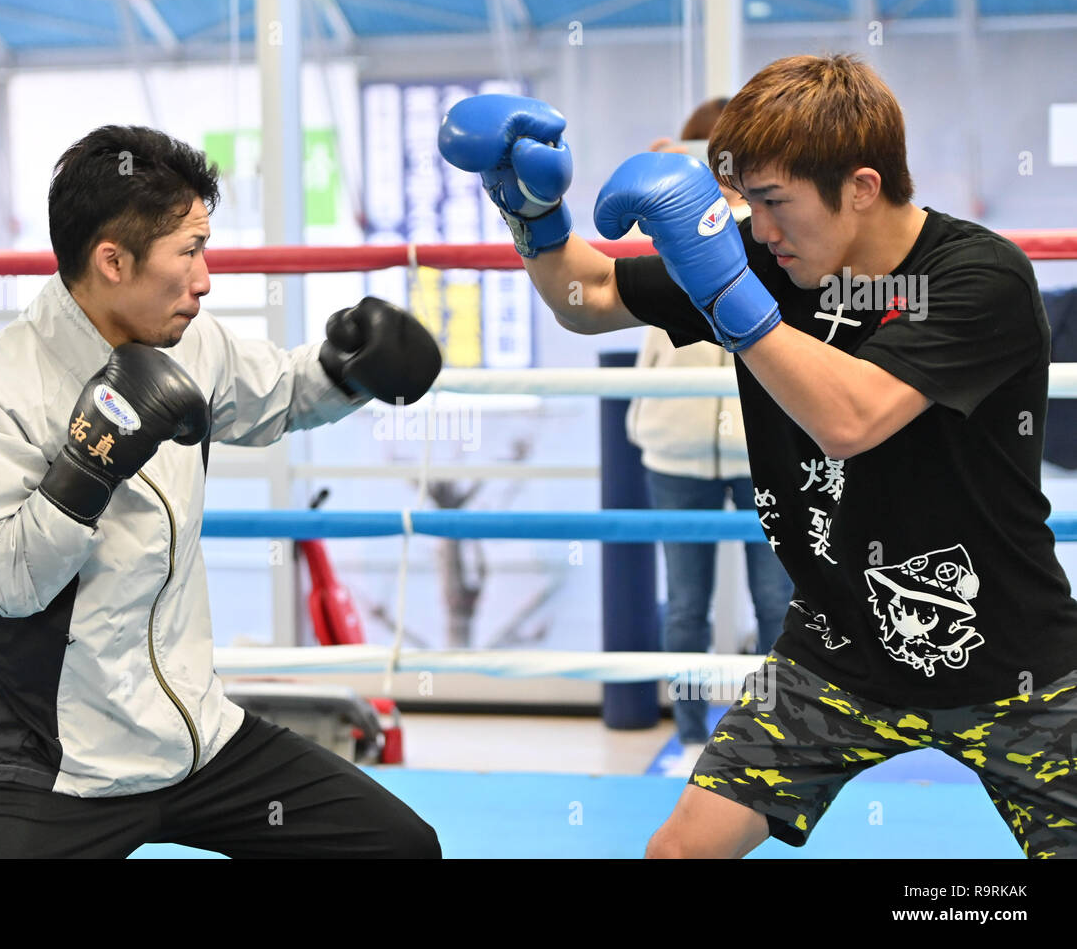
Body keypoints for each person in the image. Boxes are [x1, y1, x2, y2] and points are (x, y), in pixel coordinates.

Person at [439, 54, 1077, 858]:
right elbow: (589, 298)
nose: (762, 229)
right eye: (750, 203)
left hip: (1013, 663)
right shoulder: (766, 262)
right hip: (838, 655)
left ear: (862, 187)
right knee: (677, 853)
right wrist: (534, 215)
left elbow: (851, 417)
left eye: (776, 203)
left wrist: (727, 292)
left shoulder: (976, 278)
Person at [0, 124, 443, 858]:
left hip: (199, 744)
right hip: (61, 767)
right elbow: (8, 586)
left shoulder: (183, 338)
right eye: (189, 252)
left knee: (397, 848)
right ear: (112, 261)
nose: (205, 280)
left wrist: (349, 368)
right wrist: (89, 464)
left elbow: (279, 393)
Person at [625, 99, 793, 752]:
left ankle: (777, 739)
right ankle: (691, 741)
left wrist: (731, 198)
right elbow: (610, 275)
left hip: (763, 443)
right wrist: (662, 182)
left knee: (777, 603)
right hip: (675, 438)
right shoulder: (664, 217)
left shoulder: (772, 224)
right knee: (687, 607)